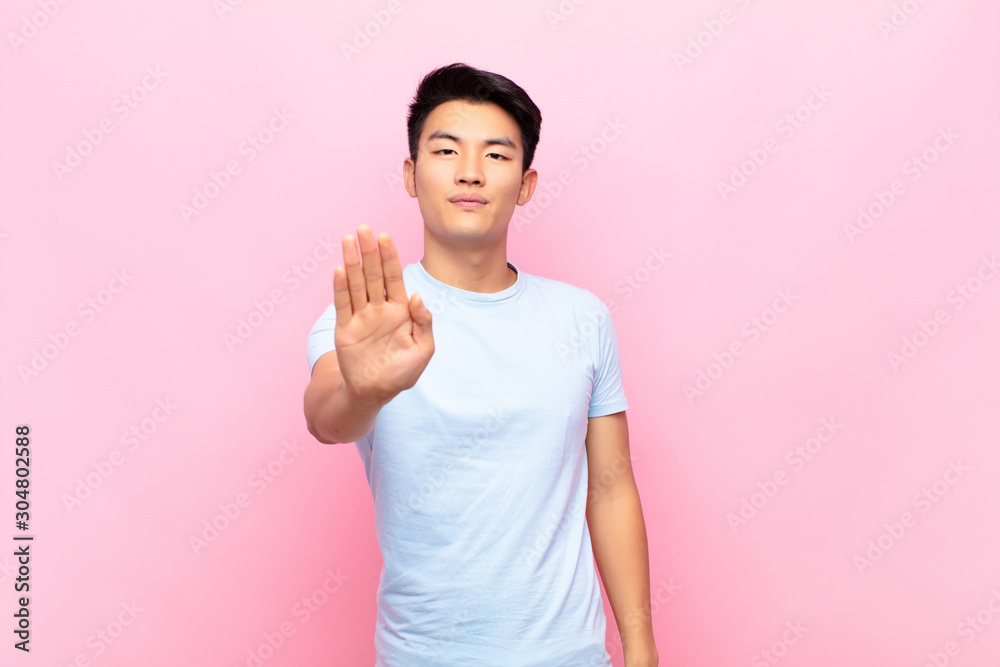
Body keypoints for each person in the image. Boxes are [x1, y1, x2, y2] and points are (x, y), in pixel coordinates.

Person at [303, 62, 658, 667]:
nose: (470, 171)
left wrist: (641, 647)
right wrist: (365, 389)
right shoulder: (370, 321)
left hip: (570, 654)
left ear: (526, 183)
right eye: (446, 150)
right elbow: (328, 416)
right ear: (412, 176)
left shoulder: (583, 318)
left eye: (497, 155)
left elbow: (611, 485)